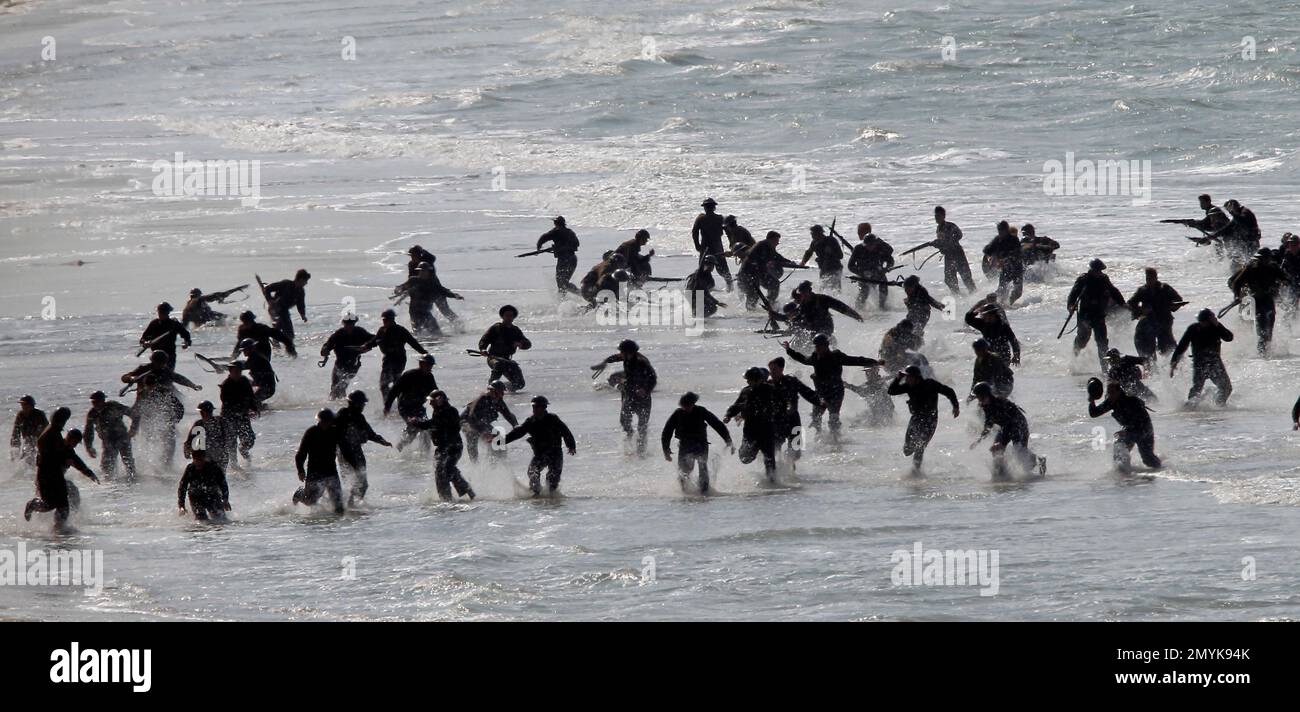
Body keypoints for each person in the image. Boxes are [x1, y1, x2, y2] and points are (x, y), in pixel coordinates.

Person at [782, 334, 874, 440]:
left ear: (826, 346)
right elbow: (803, 359)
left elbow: (854, 360)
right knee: (816, 417)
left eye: (819, 346)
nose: (817, 349)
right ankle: (819, 437)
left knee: (833, 419)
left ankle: (836, 439)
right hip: (821, 393)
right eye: (816, 346)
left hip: (836, 392)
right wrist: (789, 350)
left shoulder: (836, 356)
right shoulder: (815, 357)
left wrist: (873, 362)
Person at [121, 350, 202, 469]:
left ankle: (167, 463)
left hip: (164, 409)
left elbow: (178, 378)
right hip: (145, 409)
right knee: (147, 436)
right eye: (158, 362)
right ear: (152, 361)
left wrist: (192, 385)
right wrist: (132, 378)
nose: (160, 365)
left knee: (170, 436)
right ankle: (148, 463)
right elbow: (125, 377)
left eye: (162, 363)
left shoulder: (166, 372)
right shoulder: (143, 369)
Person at [24, 408, 99, 529]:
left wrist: (89, 473)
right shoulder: (51, 436)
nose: (73, 444)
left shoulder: (58, 439)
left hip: (57, 477)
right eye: (62, 420)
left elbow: (76, 461)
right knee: (49, 504)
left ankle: (59, 528)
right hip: (46, 476)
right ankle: (33, 505)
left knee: (64, 504)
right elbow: (48, 456)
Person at [887, 365, 960, 471]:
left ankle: (916, 472)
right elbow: (891, 391)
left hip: (930, 420)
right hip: (916, 419)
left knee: (920, 446)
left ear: (916, 377)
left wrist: (956, 406)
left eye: (909, 377)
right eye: (906, 377)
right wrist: (898, 378)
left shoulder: (930, 384)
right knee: (907, 451)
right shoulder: (908, 386)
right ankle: (915, 466)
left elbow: (949, 391)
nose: (907, 379)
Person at [503, 396, 577, 496]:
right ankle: (536, 493)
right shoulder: (530, 421)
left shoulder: (553, 419)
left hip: (555, 454)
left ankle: (551, 498)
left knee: (553, 481)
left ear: (544, 407)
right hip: (540, 453)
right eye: (533, 407)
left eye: (537, 407)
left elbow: (565, 432)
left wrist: (571, 446)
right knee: (532, 472)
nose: (534, 409)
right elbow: (517, 433)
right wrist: (499, 441)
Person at [593, 340, 657, 456]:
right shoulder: (627, 357)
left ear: (628, 352)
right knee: (624, 421)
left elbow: (653, 378)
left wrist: (645, 389)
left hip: (643, 399)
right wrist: (604, 363)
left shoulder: (642, 362)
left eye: (621, 352)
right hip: (630, 396)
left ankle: (641, 452)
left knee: (642, 426)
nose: (620, 354)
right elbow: (615, 358)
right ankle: (629, 439)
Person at [971, 382, 1046, 479]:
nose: (979, 401)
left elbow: (1011, 423)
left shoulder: (1000, 404)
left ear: (987, 395)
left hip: (1019, 426)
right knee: (996, 450)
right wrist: (979, 440)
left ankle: (1039, 460)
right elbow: (988, 424)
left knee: (1020, 453)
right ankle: (1002, 474)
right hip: (1006, 427)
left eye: (980, 398)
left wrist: (1001, 443)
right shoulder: (986, 406)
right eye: (978, 398)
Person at [661, 392, 733, 494]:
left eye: (688, 406)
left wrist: (728, 440)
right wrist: (666, 451)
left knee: (703, 468)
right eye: (684, 406)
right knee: (684, 472)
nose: (686, 408)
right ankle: (685, 493)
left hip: (701, 444)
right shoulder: (677, 414)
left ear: (693, 404)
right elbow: (666, 432)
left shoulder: (701, 411)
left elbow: (717, 424)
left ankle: (704, 493)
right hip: (685, 445)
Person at [409, 390, 474, 501]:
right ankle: (446, 498)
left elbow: (436, 423)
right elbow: (432, 424)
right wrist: (417, 423)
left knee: (448, 468)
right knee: (440, 472)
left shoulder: (451, 411)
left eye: (432, 401)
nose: (430, 404)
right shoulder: (437, 412)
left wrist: (418, 423)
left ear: (440, 400)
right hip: (442, 448)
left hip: (454, 447)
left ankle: (467, 492)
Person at [1088, 378, 1161, 470]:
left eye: (1112, 392)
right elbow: (1094, 413)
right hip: (1129, 431)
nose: (1110, 395)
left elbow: (1140, 421)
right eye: (1108, 393)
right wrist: (1091, 401)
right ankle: (1124, 472)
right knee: (1119, 446)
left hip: (1144, 430)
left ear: (1119, 391)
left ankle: (1162, 469)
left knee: (1148, 460)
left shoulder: (1131, 401)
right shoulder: (1111, 401)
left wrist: (1127, 431)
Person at [335, 391, 392, 506]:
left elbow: (370, 433)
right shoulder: (342, 414)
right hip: (344, 453)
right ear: (355, 404)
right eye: (362, 404)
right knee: (352, 481)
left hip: (356, 451)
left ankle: (352, 504)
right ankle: (348, 503)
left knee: (362, 484)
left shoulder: (360, 417)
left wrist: (382, 441)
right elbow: (333, 433)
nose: (363, 406)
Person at [1067, 259, 1125, 369]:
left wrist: (1123, 303)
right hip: (1085, 315)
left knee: (1102, 343)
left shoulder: (1104, 279)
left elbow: (1114, 291)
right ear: (1092, 270)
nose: (1099, 273)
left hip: (1099, 315)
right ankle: (1073, 359)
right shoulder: (1083, 280)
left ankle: (1104, 369)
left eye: (1100, 270)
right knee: (1083, 339)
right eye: (1097, 270)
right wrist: (1070, 306)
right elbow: (1073, 294)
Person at [724, 367, 780, 481]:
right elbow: (737, 405)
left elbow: (781, 404)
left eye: (749, 379)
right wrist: (728, 415)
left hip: (767, 429)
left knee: (769, 458)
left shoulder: (771, 390)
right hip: (750, 429)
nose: (747, 381)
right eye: (747, 379)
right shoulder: (746, 391)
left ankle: (772, 482)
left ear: (758, 380)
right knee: (745, 458)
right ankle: (754, 450)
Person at [1229, 248, 1288, 356]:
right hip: (1255, 300)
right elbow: (1236, 283)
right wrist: (1238, 296)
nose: (1262, 261)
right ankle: (1262, 351)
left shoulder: (1273, 268)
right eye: (1260, 259)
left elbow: (1285, 279)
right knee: (1261, 324)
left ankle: (1267, 347)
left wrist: (1283, 283)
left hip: (1269, 299)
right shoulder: (1250, 269)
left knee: (1269, 323)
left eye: (1265, 259)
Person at [1170, 309, 1234, 406]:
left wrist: (1218, 325)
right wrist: (1174, 363)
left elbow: (1229, 338)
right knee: (1196, 389)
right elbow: (1182, 346)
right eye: (1201, 322)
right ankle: (1189, 409)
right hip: (1199, 363)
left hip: (1215, 363)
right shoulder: (1193, 328)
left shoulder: (1216, 327)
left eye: (1204, 322)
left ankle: (1219, 405)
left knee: (1226, 388)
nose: (1202, 324)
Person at [364, 308, 429, 404]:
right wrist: (365, 346)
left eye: (387, 320)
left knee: (397, 384)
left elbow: (412, 342)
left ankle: (401, 404)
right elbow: (375, 341)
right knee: (383, 385)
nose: (385, 322)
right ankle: (388, 405)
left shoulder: (400, 330)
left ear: (392, 320)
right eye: (384, 320)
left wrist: (424, 352)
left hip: (399, 360)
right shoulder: (382, 330)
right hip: (387, 360)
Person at [767, 356, 821, 467]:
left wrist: (820, 402)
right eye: (770, 370)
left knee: (796, 453)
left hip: (794, 421)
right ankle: (777, 473)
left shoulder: (791, 380)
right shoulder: (768, 385)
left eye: (774, 370)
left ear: (782, 369)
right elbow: (755, 401)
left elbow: (807, 392)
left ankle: (789, 466)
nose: (771, 373)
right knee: (774, 450)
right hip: (776, 422)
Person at [1127, 267, 1184, 364]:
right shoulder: (1142, 290)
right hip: (1148, 320)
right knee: (1143, 341)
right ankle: (1150, 364)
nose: (1149, 281)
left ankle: (1176, 362)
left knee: (1167, 347)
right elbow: (1131, 303)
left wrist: (1170, 306)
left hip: (1164, 320)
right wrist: (1141, 310)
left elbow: (1178, 300)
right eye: (1147, 278)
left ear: (1156, 278)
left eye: (1151, 278)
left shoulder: (1165, 288)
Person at [293, 409, 345, 514]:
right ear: (320, 421)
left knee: (339, 506)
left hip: (331, 471)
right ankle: (299, 493)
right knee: (310, 501)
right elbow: (301, 454)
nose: (328, 424)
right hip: (314, 471)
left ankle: (338, 528)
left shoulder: (335, 432)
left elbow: (345, 449)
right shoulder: (311, 432)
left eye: (330, 421)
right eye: (325, 422)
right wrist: (300, 470)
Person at [385, 354, 439, 451]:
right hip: (405, 407)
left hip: (418, 407)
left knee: (426, 428)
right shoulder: (409, 375)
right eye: (427, 365)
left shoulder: (430, 377)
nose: (429, 368)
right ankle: (400, 446)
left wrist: (442, 405)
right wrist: (387, 407)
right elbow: (394, 390)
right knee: (414, 427)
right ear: (421, 364)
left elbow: (435, 393)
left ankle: (424, 453)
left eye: (431, 365)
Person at [737, 231, 801, 309]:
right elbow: (774, 258)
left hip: (755, 272)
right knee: (753, 295)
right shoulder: (765, 245)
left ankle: (769, 303)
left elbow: (776, 257)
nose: (777, 243)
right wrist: (789, 263)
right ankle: (754, 311)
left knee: (773, 284)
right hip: (748, 273)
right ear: (772, 239)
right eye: (777, 241)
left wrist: (790, 262)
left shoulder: (764, 245)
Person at [393, 262, 459, 336]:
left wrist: (454, 295)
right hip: (415, 312)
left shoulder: (433, 283)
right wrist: (398, 289)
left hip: (426, 312)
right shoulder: (413, 280)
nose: (422, 273)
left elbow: (442, 291)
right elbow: (402, 287)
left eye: (424, 271)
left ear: (428, 272)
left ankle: (434, 346)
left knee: (437, 333)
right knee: (418, 333)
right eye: (421, 271)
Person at [461, 381, 518, 462]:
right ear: (492, 391)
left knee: (498, 437)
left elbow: (508, 414)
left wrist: (515, 425)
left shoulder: (499, 400)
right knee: (473, 437)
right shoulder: (481, 400)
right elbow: (472, 418)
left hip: (482, 423)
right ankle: (474, 463)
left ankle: (498, 460)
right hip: (468, 422)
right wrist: (483, 432)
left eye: (503, 392)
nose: (502, 394)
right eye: (500, 392)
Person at [478, 305, 531, 392]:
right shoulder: (496, 328)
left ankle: (501, 388)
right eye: (507, 315)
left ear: (514, 317)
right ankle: (491, 388)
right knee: (499, 364)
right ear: (502, 316)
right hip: (493, 358)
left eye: (511, 315)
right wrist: (483, 349)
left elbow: (528, 343)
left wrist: (521, 344)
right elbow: (484, 340)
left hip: (507, 360)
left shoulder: (515, 330)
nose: (509, 318)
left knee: (519, 384)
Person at [84, 391, 135, 479]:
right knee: (107, 468)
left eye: (97, 402)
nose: (95, 404)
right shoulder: (92, 413)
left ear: (103, 400)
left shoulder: (113, 406)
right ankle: (112, 487)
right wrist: (89, 447)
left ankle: (133, 481)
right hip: (107, 441)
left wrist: (133, 429)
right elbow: (88, 431)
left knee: (128, 463)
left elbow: (134, 414)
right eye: (93, 402)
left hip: (121, 438)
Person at [320, 314, 374, 400]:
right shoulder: (338, 334)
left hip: (353, 364)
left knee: (342, 386)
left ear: (354, 324)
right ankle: (335, 403)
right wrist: (325, 351)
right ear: (343, 324)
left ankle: (343, 403)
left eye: (351, 324)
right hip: (339, 364)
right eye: (347, 324)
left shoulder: (360, 332)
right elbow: (327, 346)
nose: (349, 326)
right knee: (334, 387)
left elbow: (373, 339)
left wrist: (367, 347)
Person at [219, 361, 258, 467]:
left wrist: (254, 408)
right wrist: (238, 411)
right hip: (229, 416)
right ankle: (234, 464)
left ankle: (243, 450)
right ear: (230, 372)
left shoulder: (245, 381)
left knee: (250, 439)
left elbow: (251, 397)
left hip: (243, 416)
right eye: (235, 371)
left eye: (239, 371)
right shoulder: (226, 385)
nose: (237, 373)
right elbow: (225, 401)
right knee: (231, 441)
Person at [791, 280, 863, 338]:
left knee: (820, 339)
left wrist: (856, 316)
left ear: (810, 291)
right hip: (812, 329)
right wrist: (792, 326)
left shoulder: (822, 299)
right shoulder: (802, 305)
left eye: (805, 293)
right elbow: (799, 318)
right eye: (802, 294)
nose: (804, 296)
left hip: (826, 327)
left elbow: (840, 307)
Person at [847, 224, 895, 310]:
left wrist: (887, 268)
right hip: (863, 275)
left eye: (872, 245)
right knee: (863, 293)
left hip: (878, 273)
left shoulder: (880, 248)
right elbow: (850, 266)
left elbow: (890, 260)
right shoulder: (858, 249)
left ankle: (882, 308)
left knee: (884, 288)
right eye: (868, 245)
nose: (870, 247)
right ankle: (858, 310)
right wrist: (861, 272)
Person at [1205, 199, 1262, 272]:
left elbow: (1242, 220)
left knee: (1245, 265)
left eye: (1229, 210)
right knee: (1235, 264)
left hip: (1251, 244)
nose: (1229, 212)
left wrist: (1232, 213)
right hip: (1245, 244)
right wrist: (1210, 237)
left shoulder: (1245, 212)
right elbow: (1226, 228)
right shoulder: (1237, 216)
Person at [176, 447, 230, 521]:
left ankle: (217, 532)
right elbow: (183, 487)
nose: (198, 463)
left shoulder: (213, 467)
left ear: (204, 458)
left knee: (220, 519)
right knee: (202, 521)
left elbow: (223, 484)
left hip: (212, 496)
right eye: (196, 460)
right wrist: (181, 505)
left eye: (200, 460)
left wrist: (225, 499)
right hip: (196, 498)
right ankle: (203, 531)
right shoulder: (190, 468)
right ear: (193, 459)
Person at [933, 206, 977, 295]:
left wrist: (949, 241)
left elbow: (959, 235)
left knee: (966, 278)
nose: (936, 218)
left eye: (938, 216)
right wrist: (936, 244)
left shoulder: (950, 226)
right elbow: (941, 243)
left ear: (943, 216)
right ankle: (958, 295)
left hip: (957, 254)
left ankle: (975, 295)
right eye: (935, 216)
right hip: (948, 256)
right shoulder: (938, 228)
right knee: (949, 279)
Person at [965, 296, 1020, 365]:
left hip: (1003, 356)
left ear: (993, 315)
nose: (983, 316)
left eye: (985, 315)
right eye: (983, 315)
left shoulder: (1003, 326)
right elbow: (968, 319)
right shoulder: (983, 324)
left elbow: (1013, 340)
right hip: (988, 356)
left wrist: (1016, 355)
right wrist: (977, 307)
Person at [692, 198, 732, 290]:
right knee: (725, 273)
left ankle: (703, 290)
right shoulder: (719, 218)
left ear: (705, 208)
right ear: (714, 208)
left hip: (706, 248)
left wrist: (697, 245)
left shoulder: (701, 219)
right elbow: (729, 232)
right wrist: (731, 244)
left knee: (703, 271)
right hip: (716, 248)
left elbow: (694, 232)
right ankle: (730, 290)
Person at [536, 216, 582, 296]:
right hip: (572, 259)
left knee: (562, 283)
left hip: (564, 260)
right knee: (563, 282)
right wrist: (558, 248)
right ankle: (578, 295)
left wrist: (539, 247)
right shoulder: (570, 232)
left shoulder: (556, 231)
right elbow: (577, 244)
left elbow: (543, 238)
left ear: (555, 223)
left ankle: (580, 294)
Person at [138, 302, 192, 370]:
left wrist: (186, 343)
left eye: (163, 313)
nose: (161, 315)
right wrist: (145, 343)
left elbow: (186, 334)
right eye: (160, 312)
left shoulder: (174, 324)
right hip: (156, 356)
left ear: (168, 313)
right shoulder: (154, 323)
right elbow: (143, 338)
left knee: (168, 374)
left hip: (170, 355)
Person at [983, 220, 1025, 305]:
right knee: (1001, 291)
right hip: (1006, 269)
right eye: (999, 231)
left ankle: (1010, 303)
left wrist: (1005, 257)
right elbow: (986, 250)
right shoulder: (997, 239)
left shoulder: (1014, 239)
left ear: (1007, 230)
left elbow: (1017, 253)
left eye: (1002, 231)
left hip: (1017, 268)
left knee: (1018, 292)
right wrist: (992, 256)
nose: (1000, 233)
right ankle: (991, 302)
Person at [264, 269, 310, 342]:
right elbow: (267, 289)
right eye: (305, 281)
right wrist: (269, 300)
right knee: (288, 332)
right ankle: (287, 345)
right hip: (275, 309)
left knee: (281, 327)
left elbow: (301, 304)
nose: (306, 283)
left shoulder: (300, 291)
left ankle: (275, 340)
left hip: (284, 311)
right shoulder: (286, 284)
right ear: (301, 279)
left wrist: (302, 314)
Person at [231, 310, 296, 359]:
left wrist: (289, 345)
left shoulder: (261, 328)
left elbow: (278, 335)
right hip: (251, 353)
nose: (247, 324)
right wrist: (233, 357)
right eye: (245, 322)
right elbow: (239, 344)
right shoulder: (243, 330)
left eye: (249, 321)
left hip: (264, 352)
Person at [183, 401, 229, 470]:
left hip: (219, 456)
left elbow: (226, 438)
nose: (206, 414)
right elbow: (189, 440)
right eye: (205, 412)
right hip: (207, 457)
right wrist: (187, 452)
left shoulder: (219, 421)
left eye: (208, 412)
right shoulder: (199, 424)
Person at [801, 224, 844, 292]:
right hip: (823, 268)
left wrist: (831, 251)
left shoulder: (831, 240)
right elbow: (809, 252)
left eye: (813, 233)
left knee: (835, 288)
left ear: (819, 233)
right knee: (823, 288)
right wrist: (803, 262)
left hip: (835, 268)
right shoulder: (814, 242)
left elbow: (840, 256)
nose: (811, 235)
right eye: (811, 233)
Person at [11, 395, 48, 468]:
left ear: (32, 405)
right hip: (28, 441)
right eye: (22, 405)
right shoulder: (20, 415)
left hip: (41, 440)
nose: (23, 407)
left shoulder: (40, 414)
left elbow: (47, 428)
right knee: (25, 459)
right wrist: (14, 449)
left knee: (39, 460)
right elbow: (15, 433)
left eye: (25, 404)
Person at [237, 338, 278, 403]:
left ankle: (263, 410)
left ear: (251, 349)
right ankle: (263, 408)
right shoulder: (255, 356)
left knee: (251, 402)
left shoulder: (256, 359)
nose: (243, 352)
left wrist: (223, 367)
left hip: (267, 388)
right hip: (265, 386)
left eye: (245, 350)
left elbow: (241, 366)